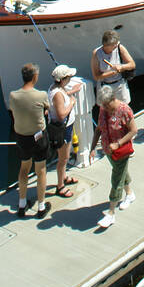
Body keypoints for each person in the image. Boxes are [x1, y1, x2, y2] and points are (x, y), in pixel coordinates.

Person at [8, 63, 51, 220]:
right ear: (35, 77)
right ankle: (41, 206)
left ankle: (21, 204)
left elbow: (14, 110)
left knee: (24, 169)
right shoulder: (40, 95)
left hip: (21, 137)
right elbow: (47, 108)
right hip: (38, 137)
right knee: (40, 170)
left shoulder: (13, 95)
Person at [96, 85, 136, 228]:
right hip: (107, 149)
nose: (105, 108)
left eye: (107, 105)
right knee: (121, 172)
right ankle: (130, 194)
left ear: (113, 99)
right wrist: (93, 146)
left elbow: (133, 130)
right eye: (103, 105)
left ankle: (111, 212)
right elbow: (99, 128)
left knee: (116, 179)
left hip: (120, 150)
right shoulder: (103, 109)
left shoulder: (124, 110)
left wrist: (118, 144)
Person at [48, 64, 83, 198]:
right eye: (68, 77)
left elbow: (60, 98)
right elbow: (61, 114)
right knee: (63, 159)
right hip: (63, 129)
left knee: (64, 157)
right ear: (62, 79)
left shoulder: (56, 88)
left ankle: (64, 178)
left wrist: (71, 92)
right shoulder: (57, 93)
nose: (70, 79)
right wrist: (72, 103)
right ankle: (60, 186)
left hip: (65, 127)